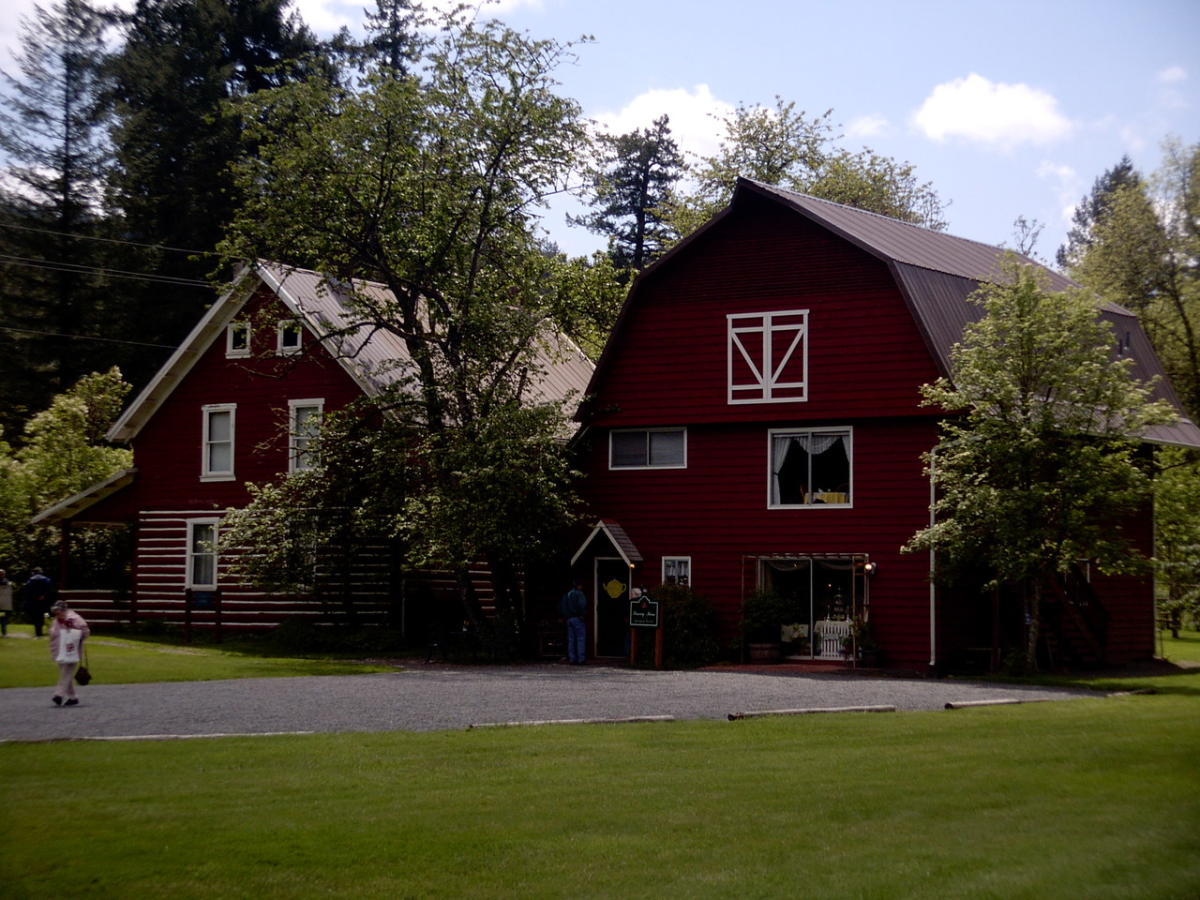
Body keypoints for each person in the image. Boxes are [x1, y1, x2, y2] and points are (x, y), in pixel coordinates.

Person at [48, 600, 90, 707]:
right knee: (65, 674)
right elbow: (53, 635)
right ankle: (73, 697)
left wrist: (74, 629)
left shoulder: (75, 618)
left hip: (72, 652)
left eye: (58, 611)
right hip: (59, 652)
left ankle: (58, 695)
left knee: (66, 673)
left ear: (64, 610)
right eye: (55, 611)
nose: (57, 614)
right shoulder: (56, 621)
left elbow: (86, 632)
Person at [559, 579, 588, 665]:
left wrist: (564, 616)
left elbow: (562, 606)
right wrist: (582, 614)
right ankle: (581, 659)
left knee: (571, 640)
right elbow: (582, 605)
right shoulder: (579, 594)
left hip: (569, 619)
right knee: (580, 639)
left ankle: (572, 658)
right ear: (579, 586)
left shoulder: (567, 594)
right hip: (577, 618)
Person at [21, 567, 55, 637]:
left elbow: (27, 590)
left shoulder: (31, 580)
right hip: (44, 601)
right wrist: (44, 596)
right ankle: (50, 628)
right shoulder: (46, 579)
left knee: (36, 616)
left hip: (34, 601)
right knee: (46, 614)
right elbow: (50, 590)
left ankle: (38, 632)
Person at [0, 569, 12, 636]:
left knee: (3, 617)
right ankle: (4, 632)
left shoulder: (6, 581)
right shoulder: (6, 581)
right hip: (3, 603)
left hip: (2, 604)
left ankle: (4, 632)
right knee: (3, 618)